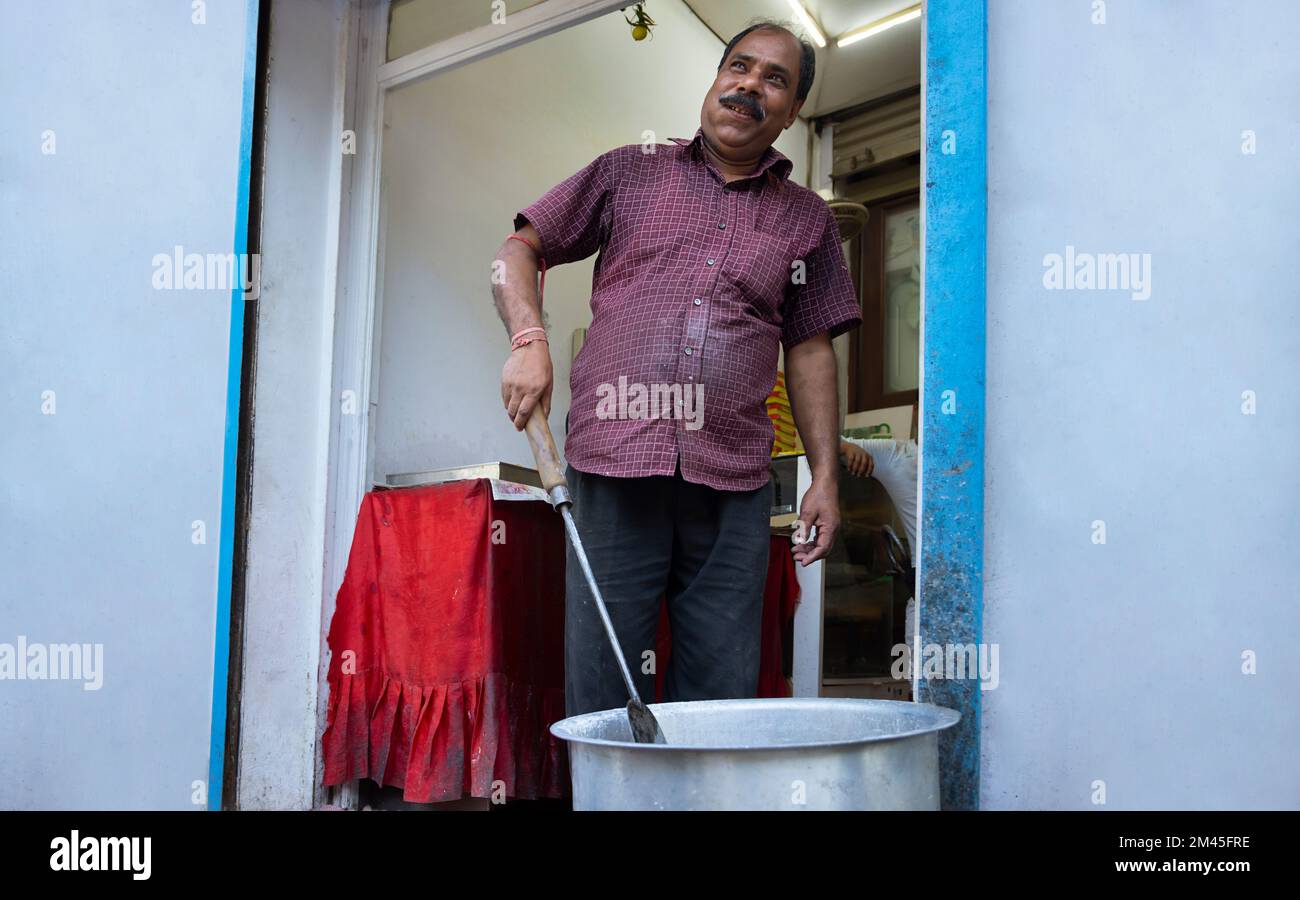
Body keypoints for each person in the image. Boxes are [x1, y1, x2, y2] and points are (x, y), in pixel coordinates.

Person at [491, 20, 862, 717]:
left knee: (720, 695)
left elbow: (811, 348)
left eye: (774, 79)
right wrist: (529, 337)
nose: (749, 84)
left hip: (733, 479)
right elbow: (519, 249)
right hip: (614, 460)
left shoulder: (807, 220)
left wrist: (825, 481)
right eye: (739, 66)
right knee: (604, 690)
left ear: (792, 111)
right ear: (718, 77)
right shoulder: (630, 170)